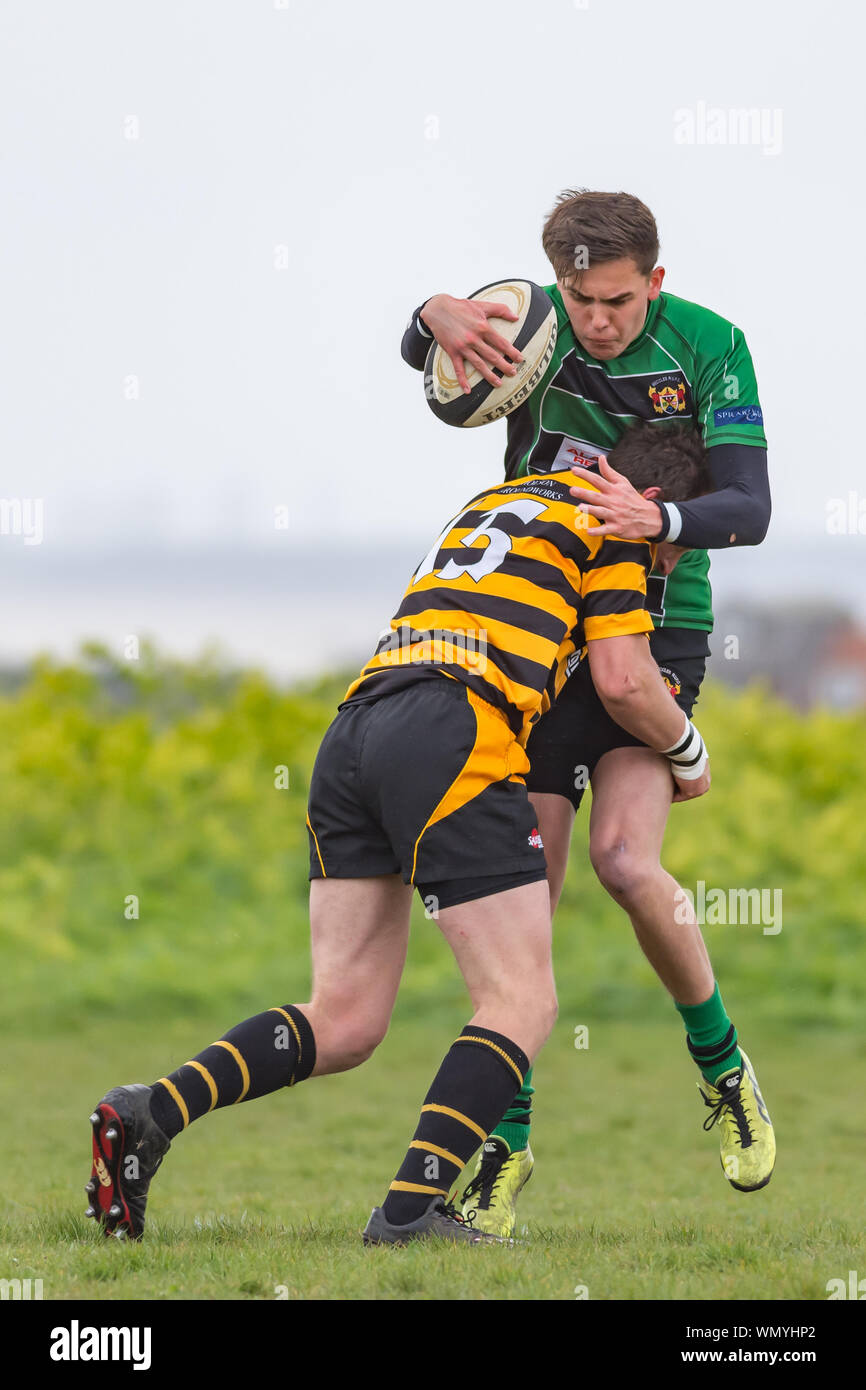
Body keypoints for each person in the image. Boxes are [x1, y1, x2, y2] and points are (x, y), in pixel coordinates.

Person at [84, 435, 711, 1246]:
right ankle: (408, 1217)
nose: (666, 567)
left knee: (344, 1017)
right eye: (674, 548)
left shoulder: (493, 504)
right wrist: (689, 752)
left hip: (356, 728)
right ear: (657, 512)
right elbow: (626, 681)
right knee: (523, 999)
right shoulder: (617, 523)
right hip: (454, 729)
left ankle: (147, 1114)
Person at [400, 189, 775, 1235]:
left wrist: (650, 515)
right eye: (578, 297)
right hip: (536, 632)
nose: (594, 318)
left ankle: (722, 1066)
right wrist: (430, 309)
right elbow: (428, 355)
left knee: (621, 859)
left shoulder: (711, 347)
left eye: (614, 299)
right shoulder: (536, 320)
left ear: (653, 281)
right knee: (527, 890)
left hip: (654, 631)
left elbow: (747, 506)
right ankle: (505, 1153)